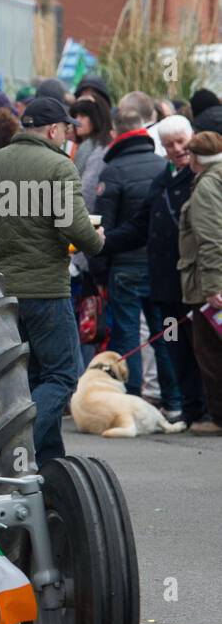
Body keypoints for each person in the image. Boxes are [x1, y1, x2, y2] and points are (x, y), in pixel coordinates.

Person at [0, 97, 105, 464]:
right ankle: (16, 440)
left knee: (28, 379)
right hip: (47, 289)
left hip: (2, 294)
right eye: (65, 130)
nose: (66, 137)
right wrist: (97, 243)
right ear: (53, 130)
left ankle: (46, 464)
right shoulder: (58, 166)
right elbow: (72, 225)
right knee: (63, 376)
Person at [101, 116, 211, 427]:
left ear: (193, 138)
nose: (178, 149)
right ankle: (190, 410)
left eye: (182, 141)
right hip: (167, 287)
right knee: (175, 347)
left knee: (199, 349)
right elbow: (140, 226)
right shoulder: (164, 178)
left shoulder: (204, 178)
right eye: (170, 144)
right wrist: (102, 242)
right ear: (162, 147)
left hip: (195, 286)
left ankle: (202, 411)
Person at [96, 94, 180, 409]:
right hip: (158, 267)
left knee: (127, 334)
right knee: (163, 335)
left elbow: (101, 227)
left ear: (117, 132)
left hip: (124, 269)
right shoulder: (163, 167)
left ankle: (131, 401)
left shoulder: (112, 171)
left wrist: (99, 270)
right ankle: (174, 401)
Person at [176, 131, 222, 433]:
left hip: (209, 283)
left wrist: (214, 287)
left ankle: (218, 418)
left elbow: (211, 239)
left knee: (209, 353)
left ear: (195, 159)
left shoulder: (206, 186)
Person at [70, 97, 113, 211]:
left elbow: (84, 188)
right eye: (76, 116)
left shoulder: (92, 147)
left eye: (83, 116)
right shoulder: (89, 144)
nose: (77, 121)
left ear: (94, 119)